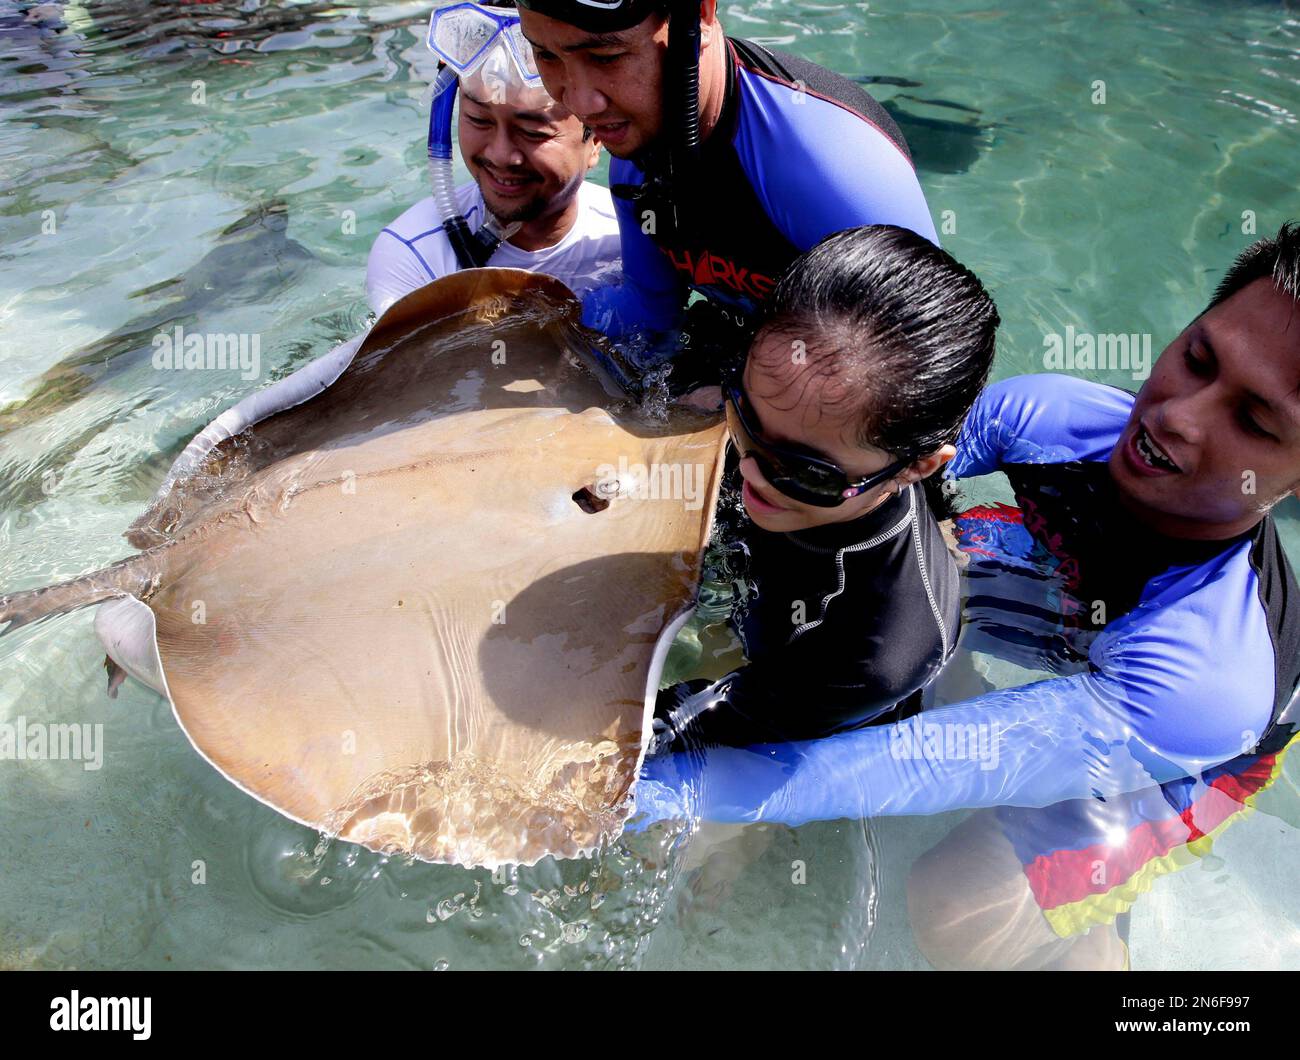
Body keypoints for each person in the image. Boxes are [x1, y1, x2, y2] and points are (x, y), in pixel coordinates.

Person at [637, 222, 1300, 969]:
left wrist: (665, 789)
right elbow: (888, 465)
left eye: (1252, 419)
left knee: (960, 901)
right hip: (1054, 597)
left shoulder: (1204, 687)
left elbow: (910, 763)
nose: (1177, 416)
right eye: (1198, 358)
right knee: (903, 558)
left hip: (1182, 750)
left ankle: (1088, 949)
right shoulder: (1055, 419)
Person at [653, 224, 998, 749]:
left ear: (917, 467)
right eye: (746, 415)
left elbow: (662, 733)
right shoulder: (792, 403)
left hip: (819, 710)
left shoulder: (872, 654)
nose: (751, 471)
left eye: (808, 473)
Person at [514, 0, 938, 375]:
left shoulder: (828, 165)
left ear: (699, 14)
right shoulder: (638, 164)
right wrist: (537, 332)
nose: (581, 103)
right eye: (546, 55)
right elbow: (649, 312)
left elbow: (922, 366)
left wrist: (742, 402)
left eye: (607, 57)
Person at [366, 0, 622, 317]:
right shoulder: (415, 254)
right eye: (478, 120)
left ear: (597, 138)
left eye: (533, 132)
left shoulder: (633, 240)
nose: (501, 155)